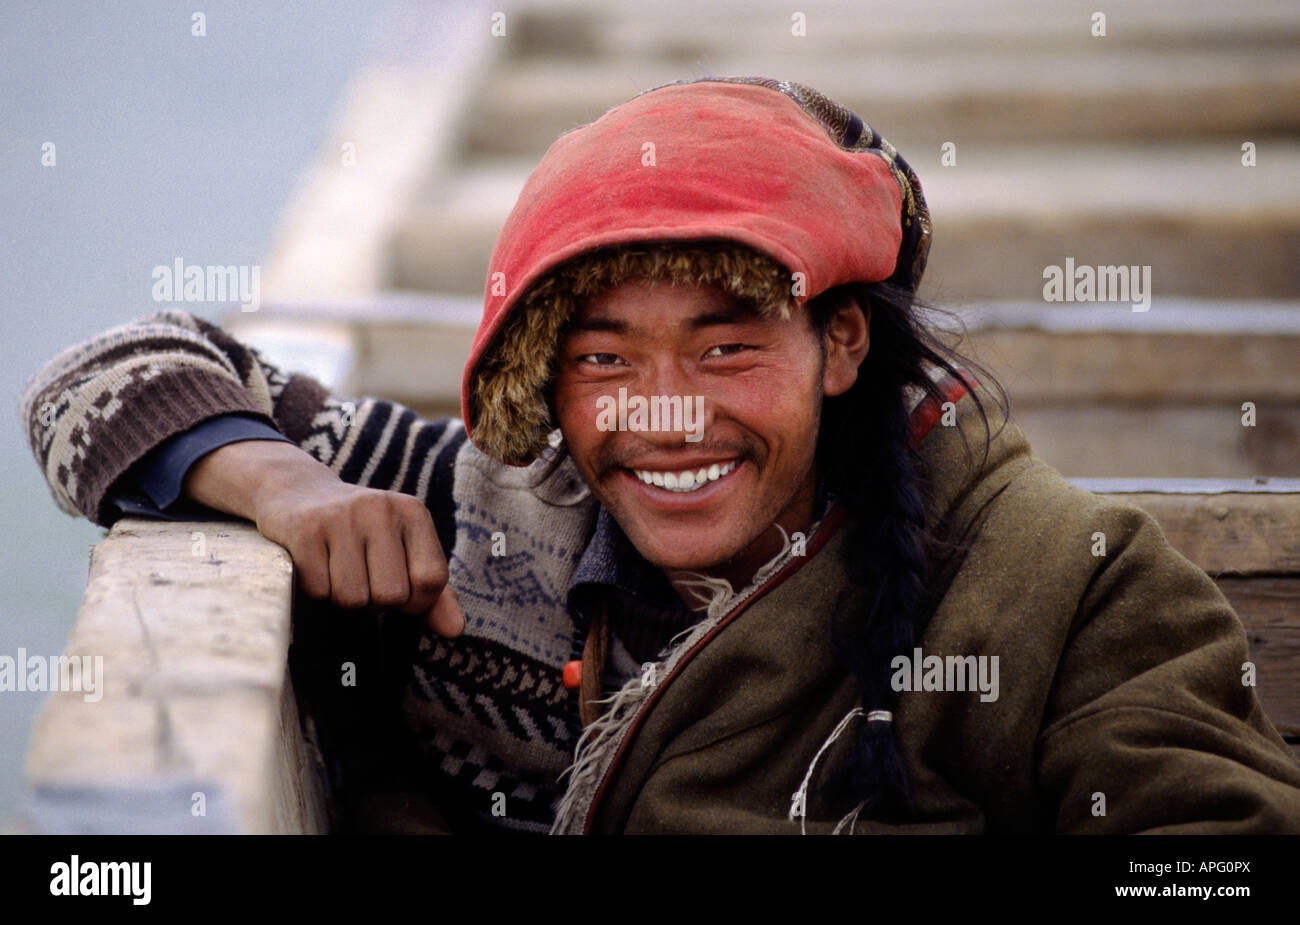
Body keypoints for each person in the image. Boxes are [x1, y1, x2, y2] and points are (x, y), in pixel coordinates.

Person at [19, 77, 1300, 834]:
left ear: (840, 346)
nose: (664, 415)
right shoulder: (480, 513)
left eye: (726, 348)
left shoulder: (1060, 582)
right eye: (604, 359)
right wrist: (285, 484)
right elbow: (101, 370)